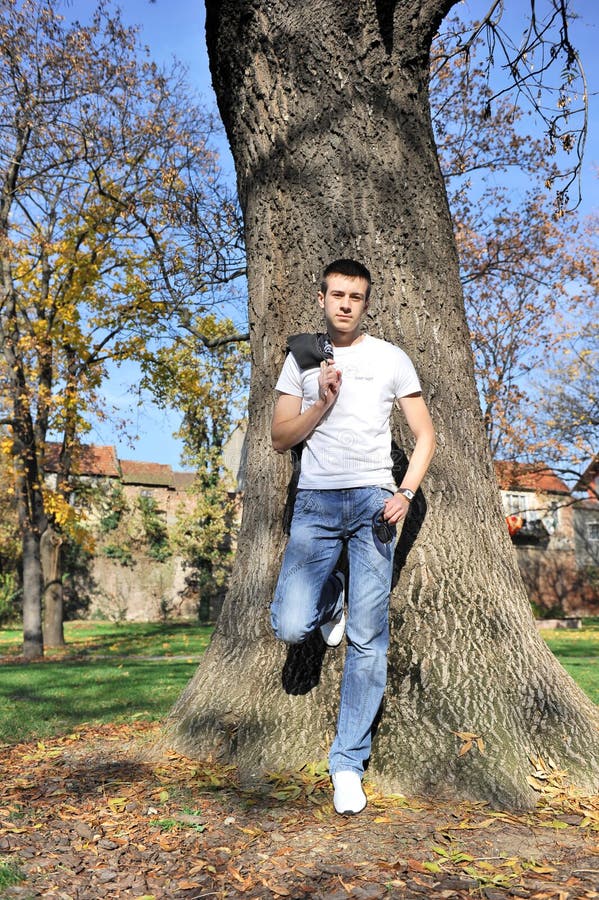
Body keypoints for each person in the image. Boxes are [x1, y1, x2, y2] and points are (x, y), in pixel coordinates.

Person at [270, 259, 436, 815]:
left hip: (373, 503)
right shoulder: (302, 356)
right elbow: (277, 437)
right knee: (290, 623)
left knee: (369, 640)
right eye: (337, 294)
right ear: (321, 298)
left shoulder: (391, 358)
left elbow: (424, 435)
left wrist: (406, 493)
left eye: (356, 297)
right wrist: (322, 402)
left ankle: (347, 764)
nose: (345, 304)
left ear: (367, 303)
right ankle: (329, 597)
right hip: (315, 504)